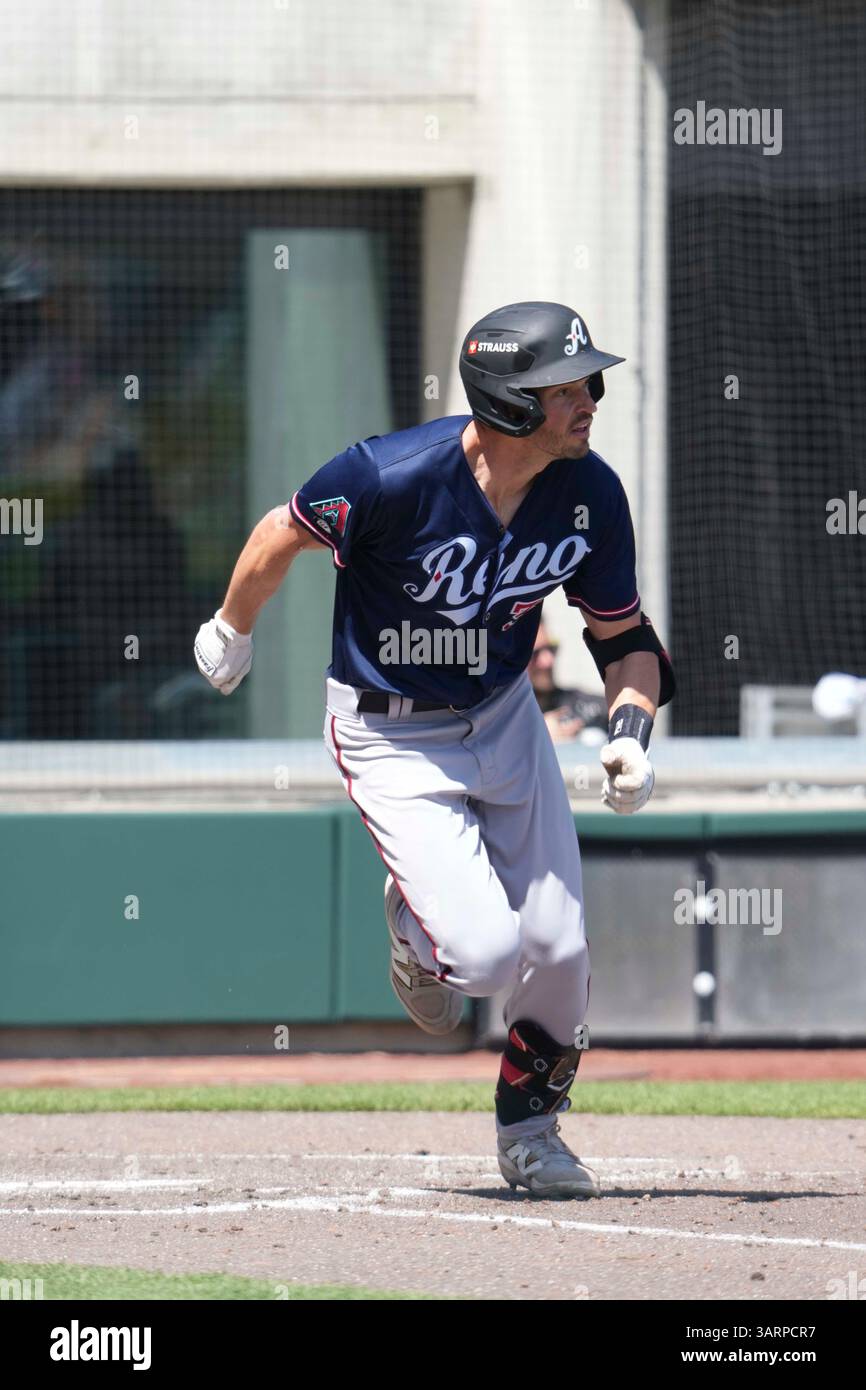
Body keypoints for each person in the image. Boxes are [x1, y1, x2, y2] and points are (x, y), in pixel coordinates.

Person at [195, 301, 675, 1199]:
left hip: (500, 712)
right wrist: (232, 627)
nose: (588, 401)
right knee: (486, 959)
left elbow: (622, 634)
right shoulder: (391, 474)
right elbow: (281, 531)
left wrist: (630, 731)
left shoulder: (590, 493)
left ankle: (531, 1133)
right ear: (506, 402)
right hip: (390, 728)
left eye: (589, 383)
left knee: (560, 949)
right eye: (563, 388)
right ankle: (418, 931)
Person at [529, 614, 608, 744]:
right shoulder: (496, 717)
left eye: (551, 649)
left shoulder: (588, 708)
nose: (548, 661)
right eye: (534, 654)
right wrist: (534, 734)